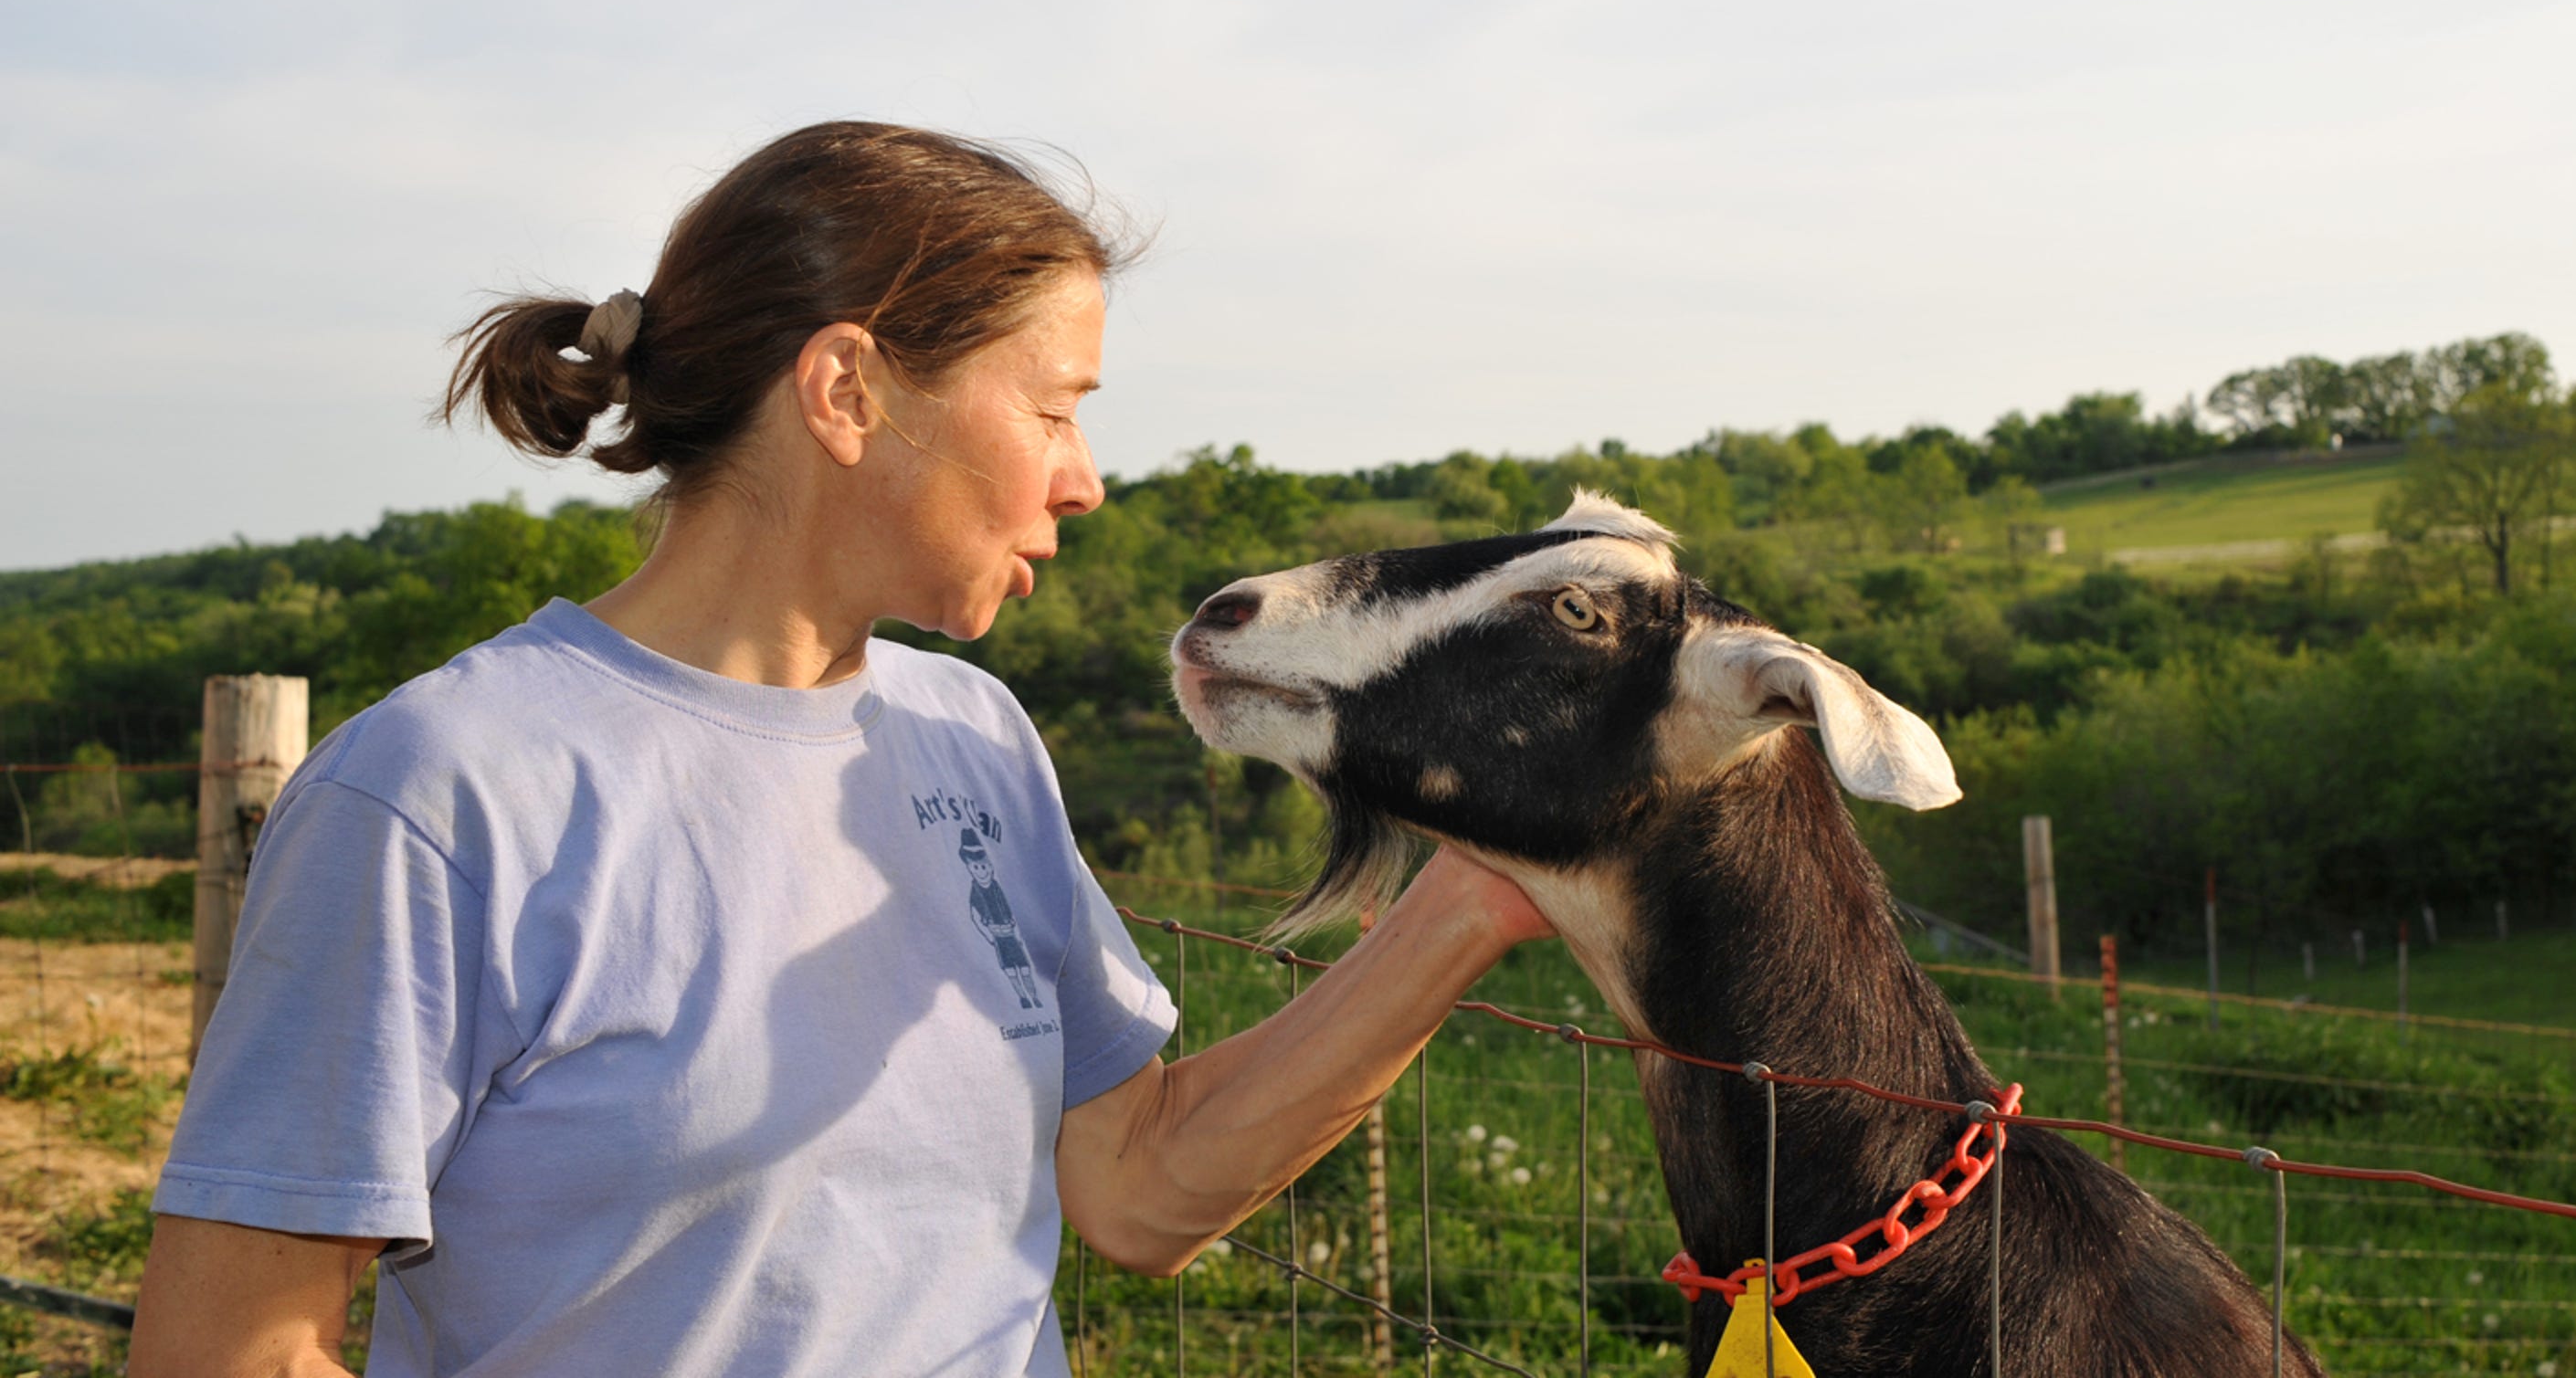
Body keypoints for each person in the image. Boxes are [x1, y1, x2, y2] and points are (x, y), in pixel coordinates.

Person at [127, 121, 1550, 1378]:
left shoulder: (972, 736)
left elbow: (1140, 1181)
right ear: (848, 392)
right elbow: (228, 1350)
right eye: (1053, 407)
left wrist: (1476, 899)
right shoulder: (444, 792)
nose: (1085, 476)